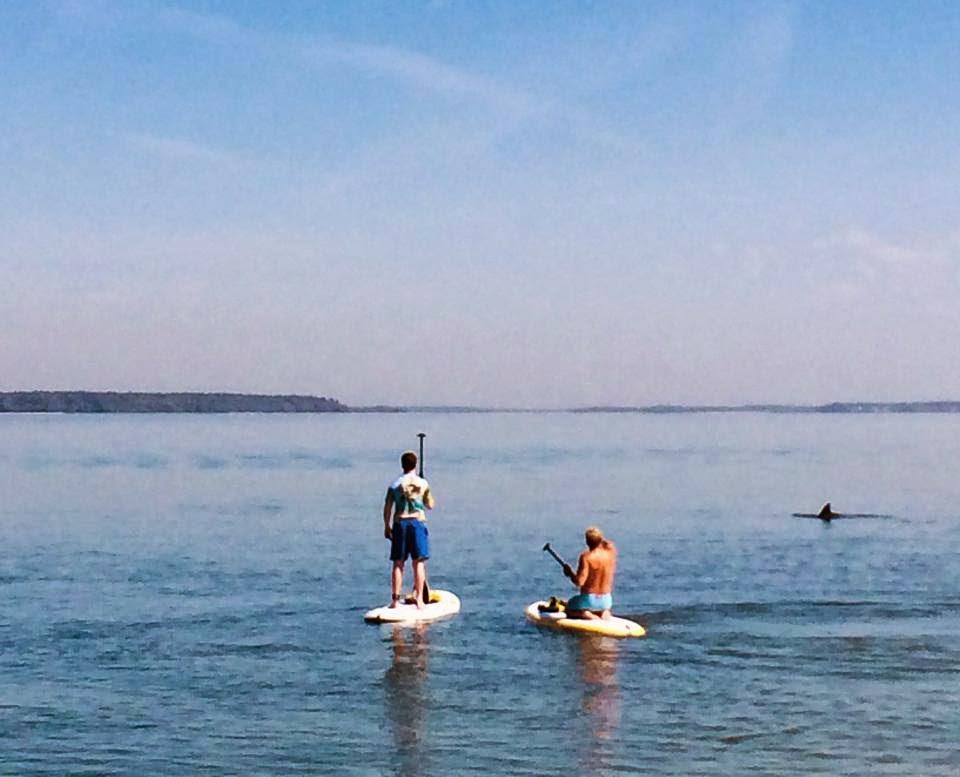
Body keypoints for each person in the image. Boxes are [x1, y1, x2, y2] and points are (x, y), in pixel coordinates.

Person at [383, 450, 435, 608]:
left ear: (402, 465)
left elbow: (387, 508)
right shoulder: (423, 484)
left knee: (398, 563)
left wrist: (387, 526)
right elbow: (430, 505)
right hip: (417, 523)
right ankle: (419, 599)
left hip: (400, 524)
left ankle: (394, 600)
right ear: (415, 465)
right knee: (418, 563)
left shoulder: (394, 485)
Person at [563, 526, 617, 620]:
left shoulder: (586, 557)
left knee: (568, 608)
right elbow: (609, 543)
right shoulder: (610, 553)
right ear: (601, 539)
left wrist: (570, 573)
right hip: (606, 600)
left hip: (588, 600)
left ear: (587, 541)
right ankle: (604, 613)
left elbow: (579, 582)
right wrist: (598, 538)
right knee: (603, 608)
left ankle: (587, 614)